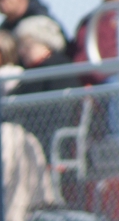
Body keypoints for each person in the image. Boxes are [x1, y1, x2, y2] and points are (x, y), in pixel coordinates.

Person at [10, 15, 83, 156]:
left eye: (26, 45)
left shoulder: (59, 69)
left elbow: (59, 115)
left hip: (47, 143)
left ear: (45, 42)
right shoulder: (31, 73)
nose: (21, 51)